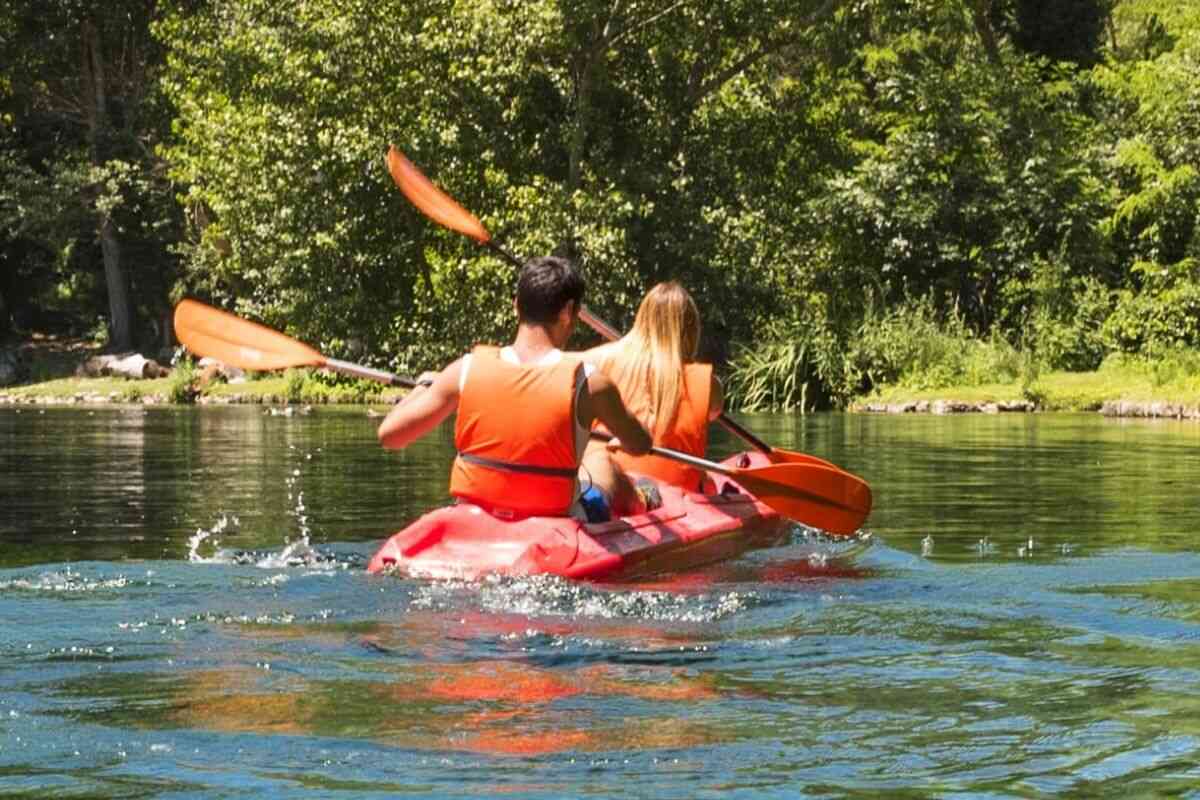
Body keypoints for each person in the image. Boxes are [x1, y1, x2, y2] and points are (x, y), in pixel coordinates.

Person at [377, 256, 652, 522]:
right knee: (600, 463)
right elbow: (640, 445)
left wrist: (425, 386)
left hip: (475, 515)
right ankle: (646, 497)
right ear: (568, 312)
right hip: (557, 519)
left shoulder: (465, 369)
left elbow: (390, 436)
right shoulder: (591, 382)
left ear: (516, 305)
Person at [578, 281, 723, 515]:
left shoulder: (595, 361)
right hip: (673, 494)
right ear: (690, 331)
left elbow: (558, 373)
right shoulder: (709, 384)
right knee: (707, 483)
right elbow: (715, 410)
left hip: (609, 483)